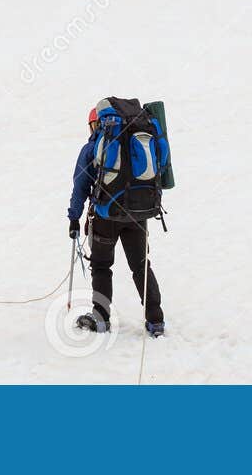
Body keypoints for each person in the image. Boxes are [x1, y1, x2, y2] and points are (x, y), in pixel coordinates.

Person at [68, 101, 165, 338]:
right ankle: (155, 321)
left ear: (96, 125)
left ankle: (101, 318)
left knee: (101, 266)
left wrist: (74, 218)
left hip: (105, 215)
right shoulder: (139, 139)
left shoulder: (92, 149)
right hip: (138, 213)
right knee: (141, 267)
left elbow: (80, 185)